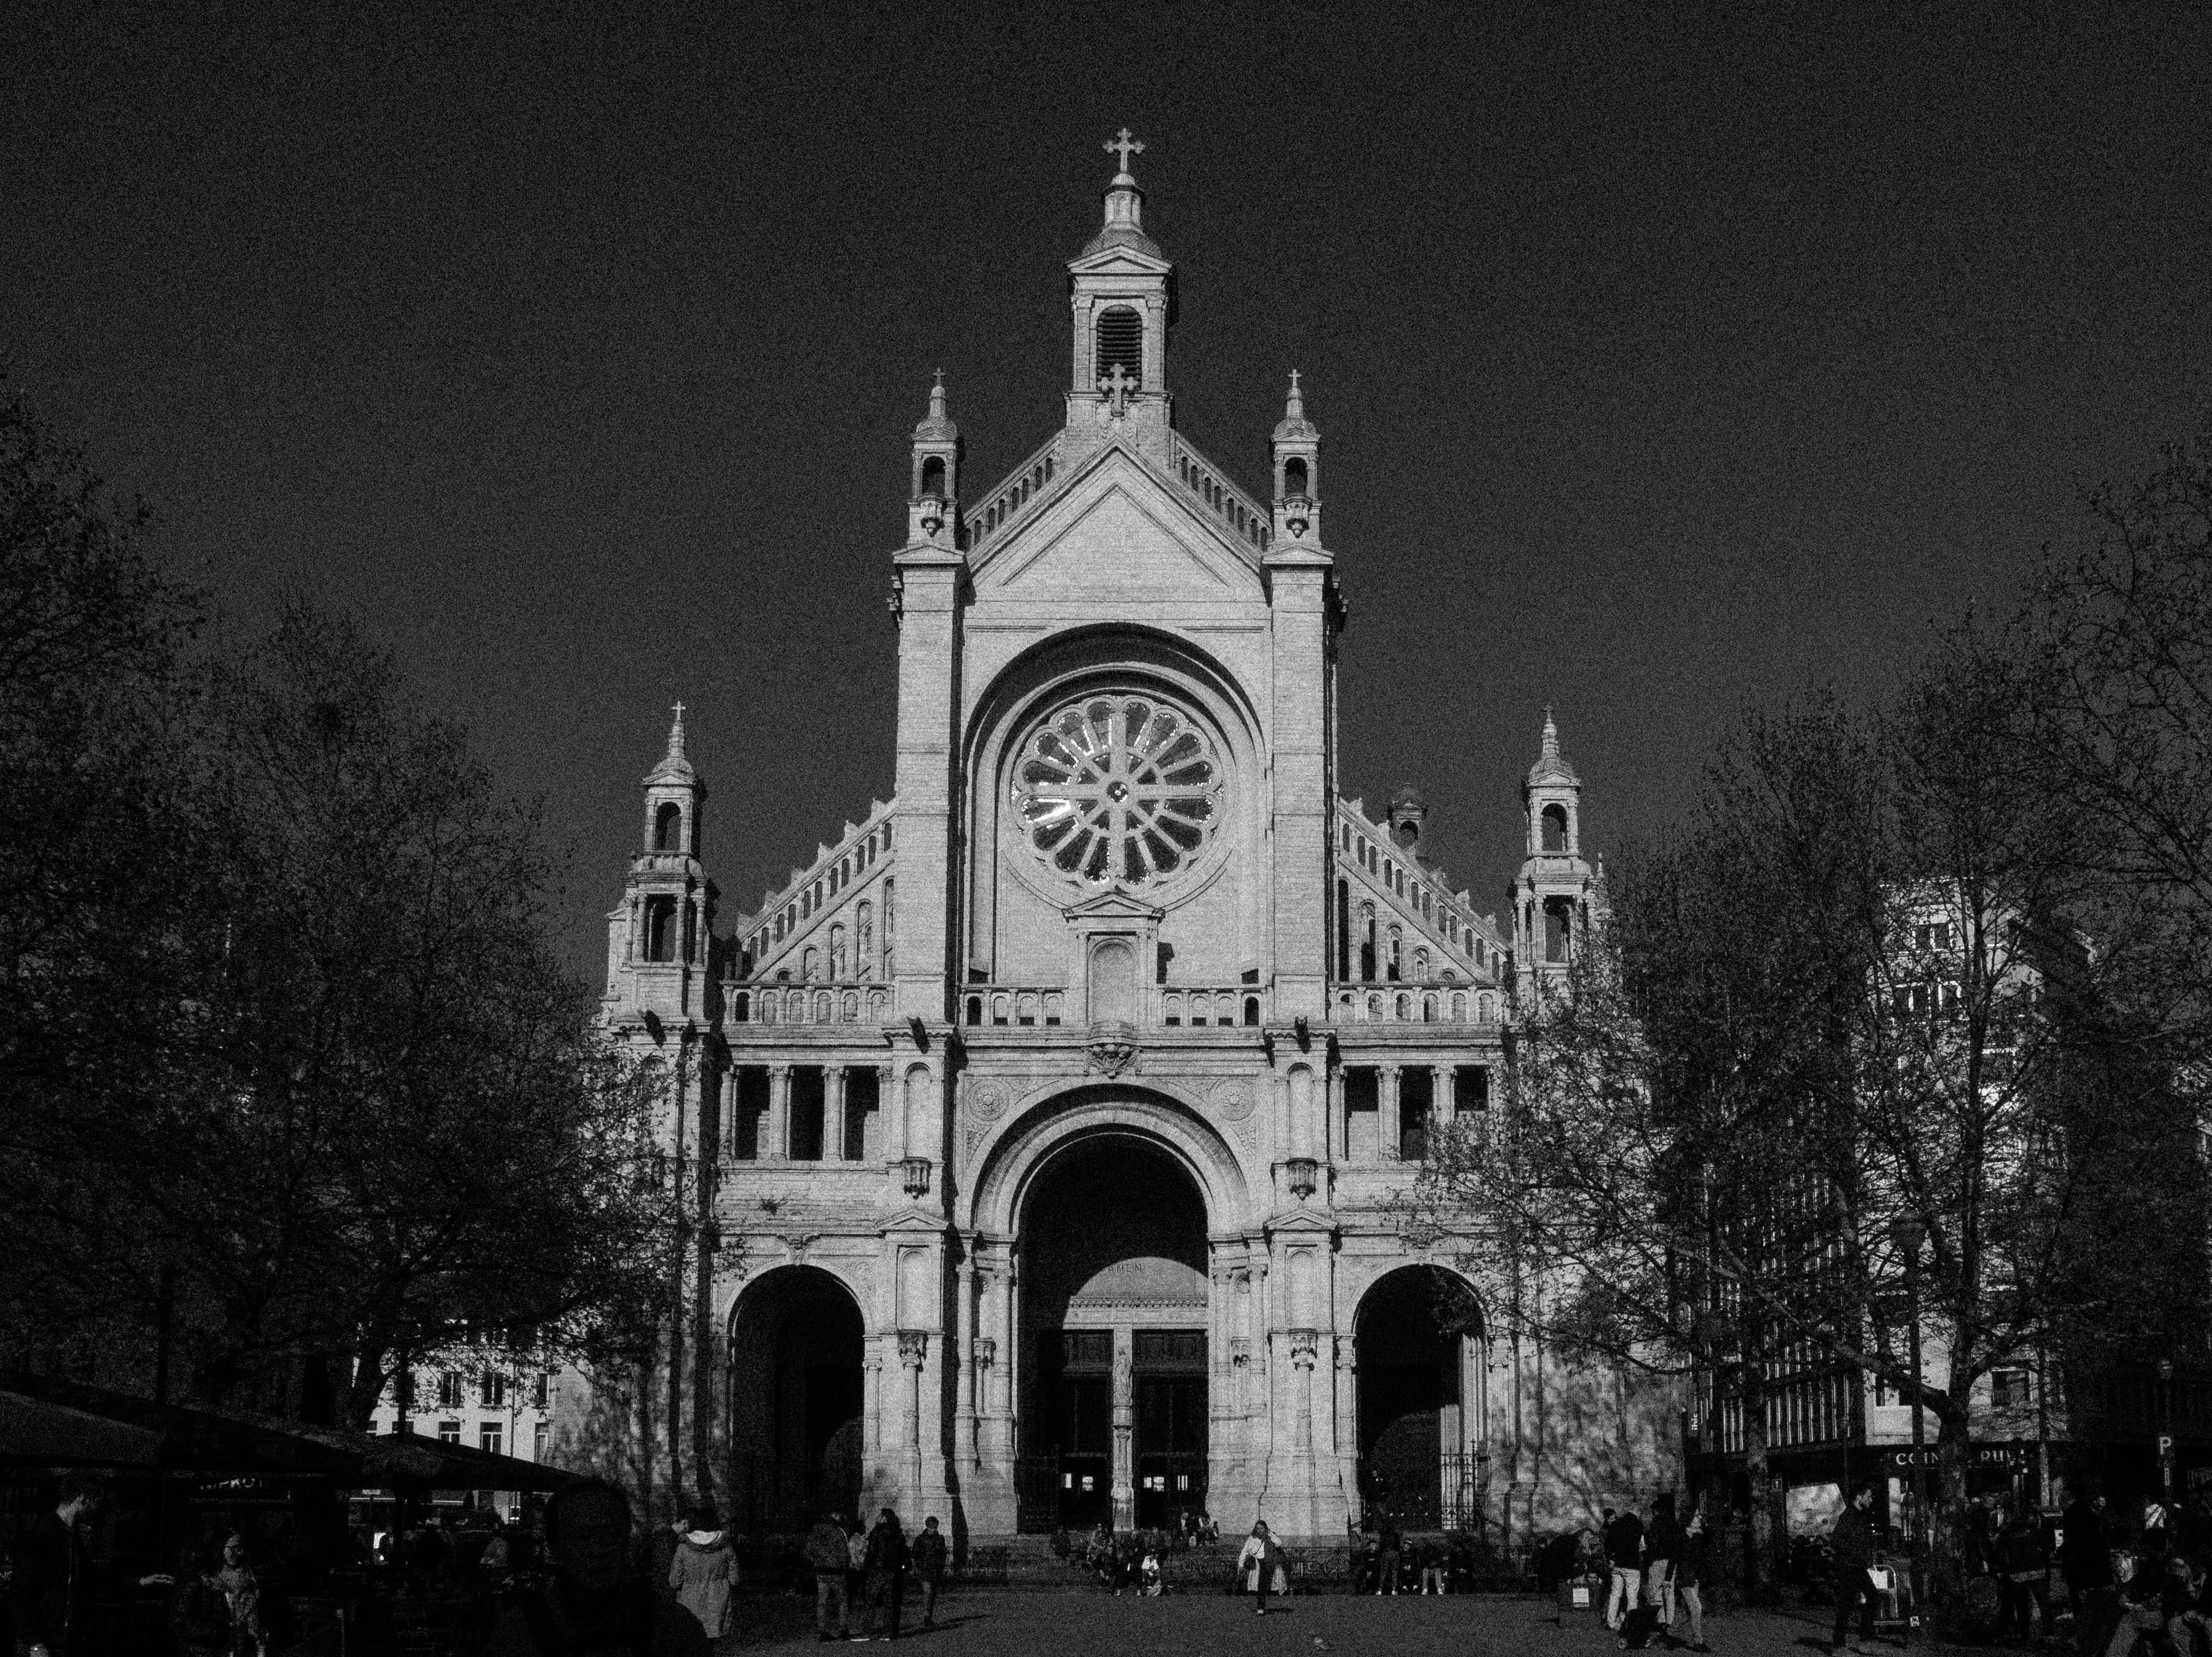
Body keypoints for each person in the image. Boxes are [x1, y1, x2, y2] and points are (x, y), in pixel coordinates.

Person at [484, 1477, 709, 1657]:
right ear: (554, 1548)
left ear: (627, 1541)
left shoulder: (673, 1629)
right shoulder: (517, 1634)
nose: (599, 1549)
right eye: (581, 1537)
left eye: (611, 1534)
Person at [8, 1472, 169, 1657]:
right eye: (97, 1502)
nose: (98, 1509)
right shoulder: (45, 1536)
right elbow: (21, 1595)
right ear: (83, 1500)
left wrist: (138, 1582)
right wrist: (36, 1643)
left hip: (56, 1642)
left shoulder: (70, 1537)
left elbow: (91, 1577)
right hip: (41, 1645)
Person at [167, 1534, 267, 1657]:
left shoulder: (246, 1579)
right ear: (218, 1548)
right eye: (234, 1548)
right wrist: (221, 1634)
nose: (240, 1552)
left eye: (241, 1548)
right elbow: (179, 1623)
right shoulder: (199, 1582)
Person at [667, 1504, 737, 1643]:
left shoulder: (683, 1548)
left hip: (689, 1607)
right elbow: (735, 1579)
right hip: (718, 1607)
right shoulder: (726, 1547)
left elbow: (675, 1582)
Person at [2060, 1490, 2116, 1653]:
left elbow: (2072, 1542)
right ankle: (2095, 1641)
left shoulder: (2073, 1516)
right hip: (2098, 1569)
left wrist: (2063, 1554)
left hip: (2083, 1569)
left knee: (2086, 1606)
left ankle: (2085, 1640)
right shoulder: (2093, 1517)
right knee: (2097, 1605)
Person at [1829, 1486, 1879, 1656]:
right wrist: (1854, 1553)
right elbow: (1835, 1540)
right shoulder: (1849, 1516)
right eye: (1869, 1495)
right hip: (1849, 1567)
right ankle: (1840, 1646)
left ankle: (1860, 1642)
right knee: (1848, 1604)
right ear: (1859, 1496)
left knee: (1868, 1599)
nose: (1871, 1499)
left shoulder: (1861, 1516)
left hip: (1857, 1566)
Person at [1995, 1502, 2052, 1643]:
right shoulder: (2034, 1530)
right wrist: (2044, 1562)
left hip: (2017, 1572)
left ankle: (2025, 1633)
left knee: (2022, 1604)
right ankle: (2048, 1633)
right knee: (2043, 1603)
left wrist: (2004, 1569)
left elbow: (2000, 1553)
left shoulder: (2007, 1531)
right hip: (2036, 1570)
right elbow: (2046, 1547)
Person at [859, 1507, 908, 1642]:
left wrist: (866, 1566)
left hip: (877, 1570)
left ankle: (867, 1632)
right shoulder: (897, 1533)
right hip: (892, 1571)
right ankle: (887, 1632)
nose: (877, 1517)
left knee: (870, 1602)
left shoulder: (877, 1533)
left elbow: (872, 1553)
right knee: (889, 1602)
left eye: (879, 1516)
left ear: (884, 1518)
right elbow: (902, 1554)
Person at [805, 1511, 854, 1642]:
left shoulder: (816, 1533)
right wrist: (844, 1567)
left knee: (822, 1603)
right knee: (843, 1601)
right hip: (837, 1572)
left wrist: (817, 1562)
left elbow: (808, 1551)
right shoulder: (839, 1533)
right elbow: (844, 1553)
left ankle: (822, 1631)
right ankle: (843, 1630)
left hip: (821, 1572)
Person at [1603, 1505, 1645, 1631]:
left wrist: (1611, 1557)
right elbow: (1641, 1546)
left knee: (1615, 1594)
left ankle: (1610, 1623)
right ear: (1637, 1513)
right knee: (1632, 1596)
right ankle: (1631, 1624)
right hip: (1632, 1565)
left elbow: (1608, 1543)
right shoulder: (1637, 1525)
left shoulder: (1616, 1524)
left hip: (1617, 1565)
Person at [1645, 1494, 1684, 1630]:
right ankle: (1670, 1621)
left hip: (1656, 1561)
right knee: (1669, 1593)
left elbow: (1651, 1544)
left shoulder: (1654, 1525)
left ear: (1655, 1511)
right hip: (1670, 1561)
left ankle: (1660, 1619)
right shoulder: (1672, 1524)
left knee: (1656, 1593)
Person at [1238, 1520, 1287, 1615]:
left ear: (1265, 1528)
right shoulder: (1252, 1538)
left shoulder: (1270, 1537)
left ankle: (1262, 1605)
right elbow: (1245, 1550)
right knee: (1261, 1585)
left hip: (1268, 1562)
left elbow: (1279, 1543)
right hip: (1258, 1563)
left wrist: (1271, 1534)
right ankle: (1260, 1607)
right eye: (1258, 1528)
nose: (1260, 1531)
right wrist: (1241, 1563)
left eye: (1262, 1528)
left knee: (1266, 1584)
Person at [910, 1517, 948, 1630]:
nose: (935, 1529)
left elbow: (942, 1554)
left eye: (935, 1527)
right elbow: (915, 1554)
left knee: (931, 1594)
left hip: (932, 1570)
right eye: (933, 1527)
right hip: (927, 1570)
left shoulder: (936, 1538)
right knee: (929, 1593)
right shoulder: (925, 1539)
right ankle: (927, 1616)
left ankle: (928, 1616)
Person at [1375, 1508, 1402, 1595]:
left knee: (1384, 1571)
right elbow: (1398, 1544)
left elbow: (1382, 1544)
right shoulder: (1395, 1534)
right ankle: (1394, 1589)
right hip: (1394, 1552)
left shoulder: (1384, 1534)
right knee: (1394, 1572)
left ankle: (1380, 1589)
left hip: (1386, 1552)